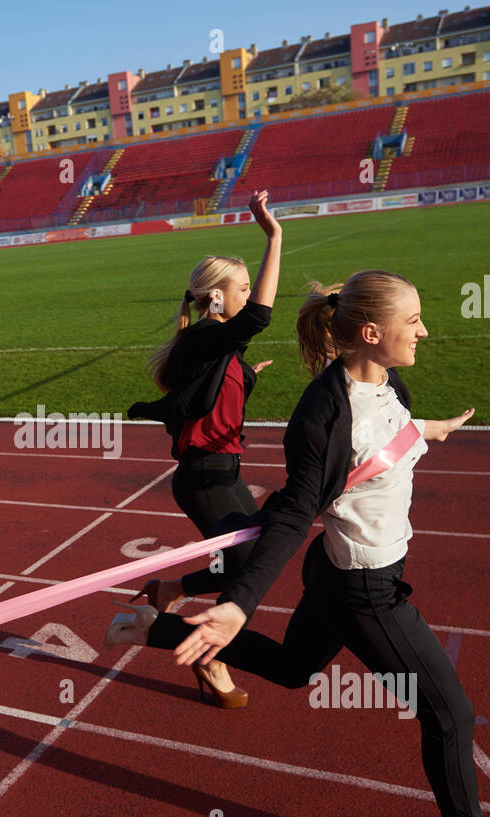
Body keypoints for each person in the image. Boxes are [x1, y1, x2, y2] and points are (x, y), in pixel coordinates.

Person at [107, 270, 490, 817]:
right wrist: (236, 602)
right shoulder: (323, 415)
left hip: (340, 575)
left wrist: (430, 431)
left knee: (293, 670)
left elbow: (387, 436)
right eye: (412, 320)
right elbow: (293, 513)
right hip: (367, 590)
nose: (424, 330)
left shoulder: (389, 383)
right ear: (371, 333)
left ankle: (156, 629)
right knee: (450, 715)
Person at [117, 188, 279, 709]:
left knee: (252, 564)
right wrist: (274, 236)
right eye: (241, 288)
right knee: (247, 568)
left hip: (225, 470)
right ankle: (197, 652)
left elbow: (215, 383)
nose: (249, 295)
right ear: (215, 297)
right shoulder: (205, 337)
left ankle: (168, 595)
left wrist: (247, 374)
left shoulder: (217, 345)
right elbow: (259, 319)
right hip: (204, 476)